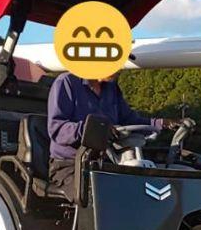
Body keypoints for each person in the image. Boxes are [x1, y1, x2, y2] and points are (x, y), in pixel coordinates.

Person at [42, 72, 176, 199]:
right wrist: (93, 128)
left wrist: (162, 123)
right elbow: (57, 128)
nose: (119, 69)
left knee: (141, 189)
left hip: (108, 161)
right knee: (100, 196)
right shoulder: (66, 82)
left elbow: (131, 120)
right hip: (71, 165)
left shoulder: (111, 88)